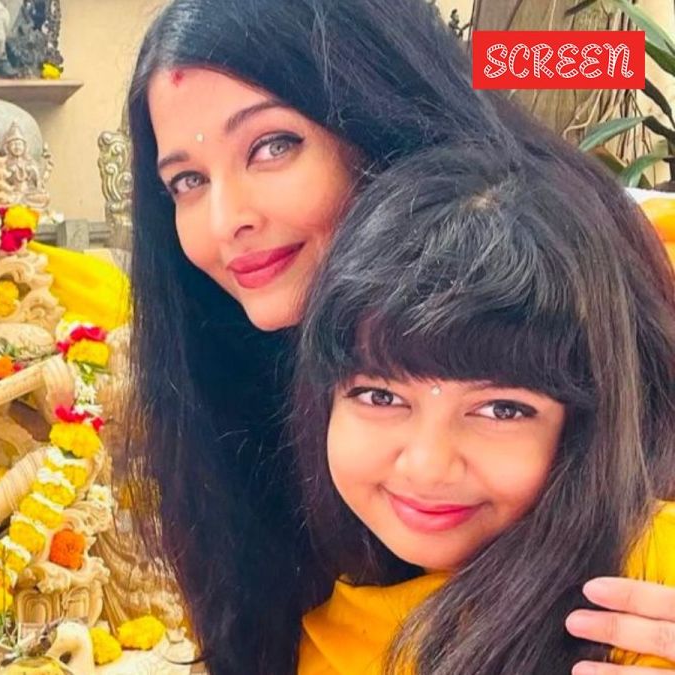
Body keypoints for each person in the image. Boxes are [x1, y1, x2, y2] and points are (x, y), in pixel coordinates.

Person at [121, 0, 675, 671]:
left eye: (273, 146)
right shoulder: (230, 366)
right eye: (186, 180)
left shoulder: (574, 282)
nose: (223, 219)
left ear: (375, 119)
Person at [294, 143, 675, 673]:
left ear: (584, 424)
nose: (427, 466)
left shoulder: (647, 590)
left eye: (501, 410)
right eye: (381, 397)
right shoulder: (322, 631)